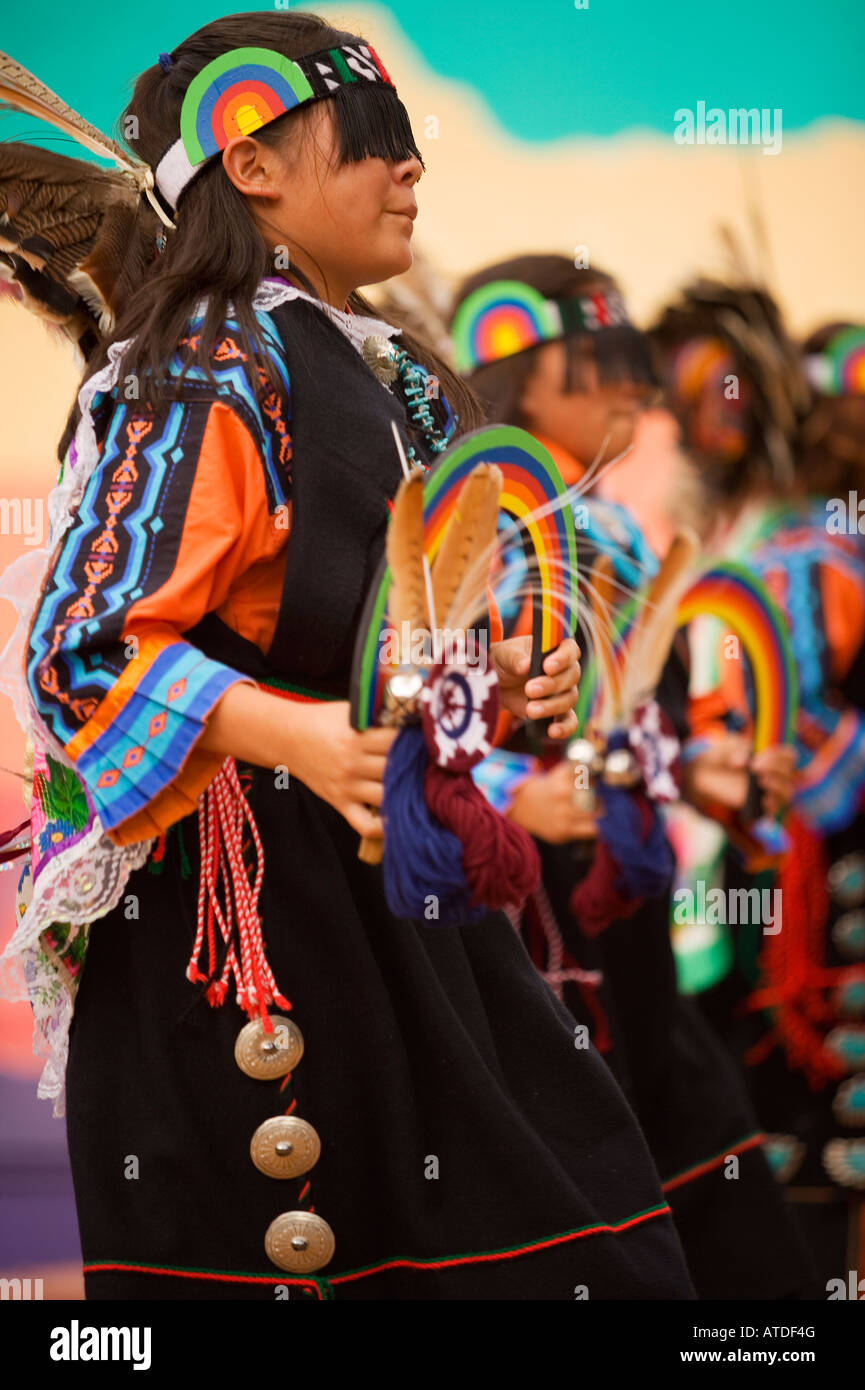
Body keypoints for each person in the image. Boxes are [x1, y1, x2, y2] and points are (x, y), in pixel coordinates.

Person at [0, 14, 695, 1301]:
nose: (408, 168)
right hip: (248, 924)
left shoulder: (394, 378)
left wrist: (503, 682)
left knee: (586, 1244)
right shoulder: (196, 365)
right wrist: (302, 736)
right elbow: (80, 653)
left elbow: (388, 636)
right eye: (372, 142)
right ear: (252, 166)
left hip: (389, 893)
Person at [450, 253, 814, 1297]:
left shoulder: (601, 534)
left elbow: (615, 731)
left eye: (631, 356)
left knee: (736, 1238)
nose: (631, 382)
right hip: (537, 949)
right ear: (516, 371)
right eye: (598, 355)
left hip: (630, 943)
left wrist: (696, 772)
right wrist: (516, 794)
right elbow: (419, 722)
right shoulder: (472, 530)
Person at [651, 285, 865, 1286]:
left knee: (804, 1141)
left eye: (723, 389)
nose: (711, 414)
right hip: (757, 890)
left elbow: (792, 761)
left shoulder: (797, 555)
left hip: (803, 903)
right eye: (692, 390)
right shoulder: (742, 541)